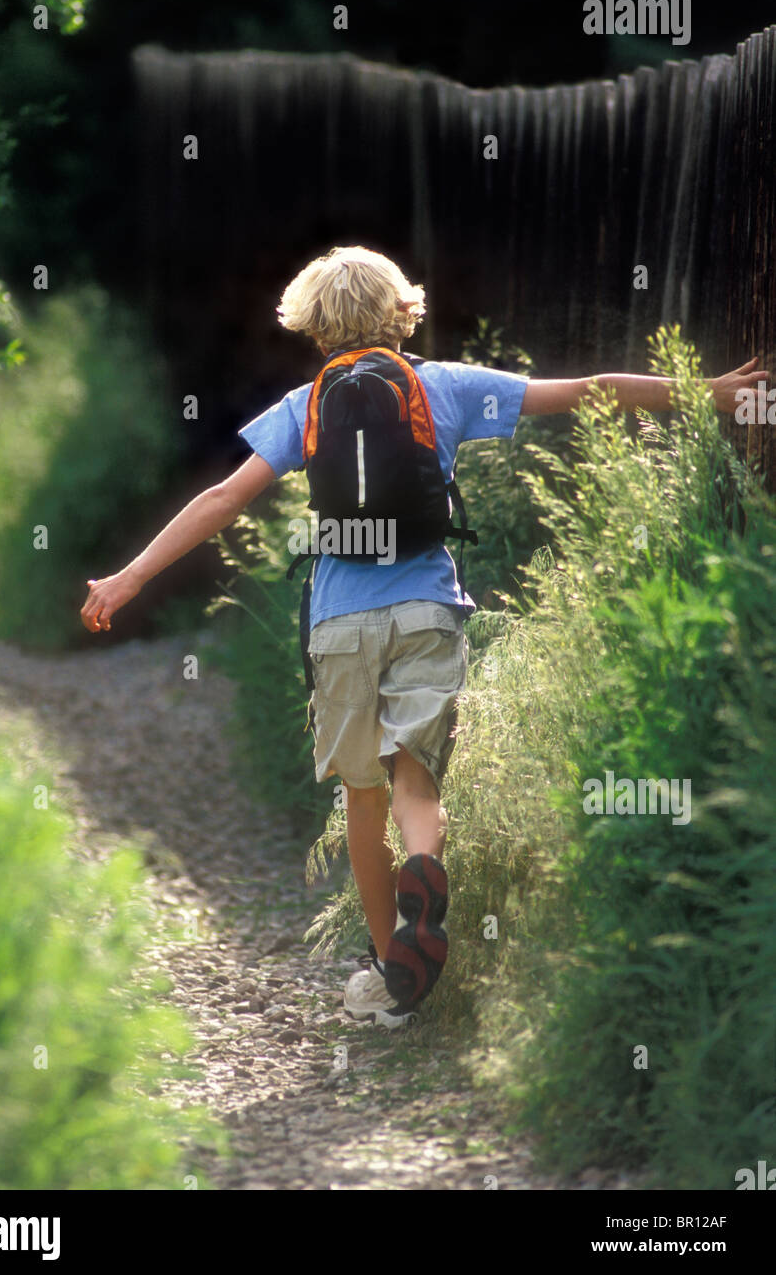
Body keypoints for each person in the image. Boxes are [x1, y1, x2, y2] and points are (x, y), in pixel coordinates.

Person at [80, 245, 766, 1028]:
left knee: (359, 797)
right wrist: (704, 392)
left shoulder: (306, 405)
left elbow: (222, 498)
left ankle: (391, 975)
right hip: (426, 608)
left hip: (340, 623)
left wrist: (128, 577)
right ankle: (427, 868)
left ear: (310, 324)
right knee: (418, 774)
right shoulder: (440, 386)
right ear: (403, 311)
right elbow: (591, 390)